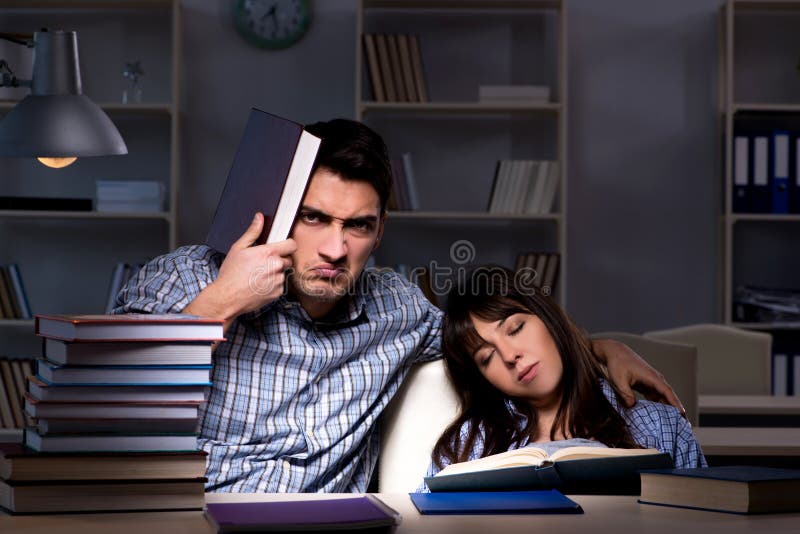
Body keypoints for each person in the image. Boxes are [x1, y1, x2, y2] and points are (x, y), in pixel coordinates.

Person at [114, 118, 685, 493]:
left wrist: (601, 346)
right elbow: (102, 406)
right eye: (315, 218)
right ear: (282, 212)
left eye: (357, 226)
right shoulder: (186, 275)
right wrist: (222, 303)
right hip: (190, 518)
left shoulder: (396, 306)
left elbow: (493, 338)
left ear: (380, 229)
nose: (336, 249)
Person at [421, 265, 706, 490]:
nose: (509, 355)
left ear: (547, 316)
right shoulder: (467, 446)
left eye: (516, 328)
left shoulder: (661, 426)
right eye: (487, 357)